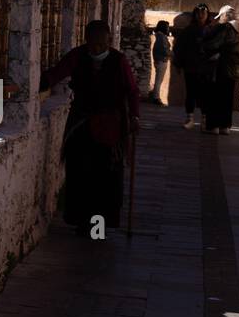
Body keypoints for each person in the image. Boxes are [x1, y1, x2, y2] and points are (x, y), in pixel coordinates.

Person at [41, 20, 140, 233]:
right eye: (93, 45)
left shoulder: (119, 61)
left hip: (110, 129)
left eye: (102, 45)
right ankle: (82, 223)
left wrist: (135, 116)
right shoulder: (77, 56)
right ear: (86, 41)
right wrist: (37, 82)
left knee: (105, 180)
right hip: (82, 126)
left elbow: (132, 91)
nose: (97, 49)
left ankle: (99, 228)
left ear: (109, 42)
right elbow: (56, 74)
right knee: (81, 175)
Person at [200, 4, 239, 134]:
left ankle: (213, 126)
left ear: (224, 16)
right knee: (227, 98)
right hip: (233, 69)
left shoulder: (225, 28)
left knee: (215, 96)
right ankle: (225, 126)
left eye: (221, 16)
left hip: (220, 67)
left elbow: (214, 44)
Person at [173, 3, 210, 129]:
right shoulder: (188, 31)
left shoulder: (210, 31)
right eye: (198, 13)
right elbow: (179, 48)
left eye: (203, 13)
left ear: (207, 15)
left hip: (206, 69)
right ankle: (190, 118)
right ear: (195, 15)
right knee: (191, 93)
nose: (201, 15)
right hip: (191, 68)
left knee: (205, 94)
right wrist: (178, 63)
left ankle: (205, 120)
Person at [148, 20, 170, 104]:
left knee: (158, 80)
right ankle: (156, 97)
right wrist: (171, 54)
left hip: (159, 60)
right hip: (161, 60)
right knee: (158, 80)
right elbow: (164, 50)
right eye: (167, 27)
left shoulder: (160, 37)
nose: (168, 29)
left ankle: (154, 95)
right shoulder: (162, 37)